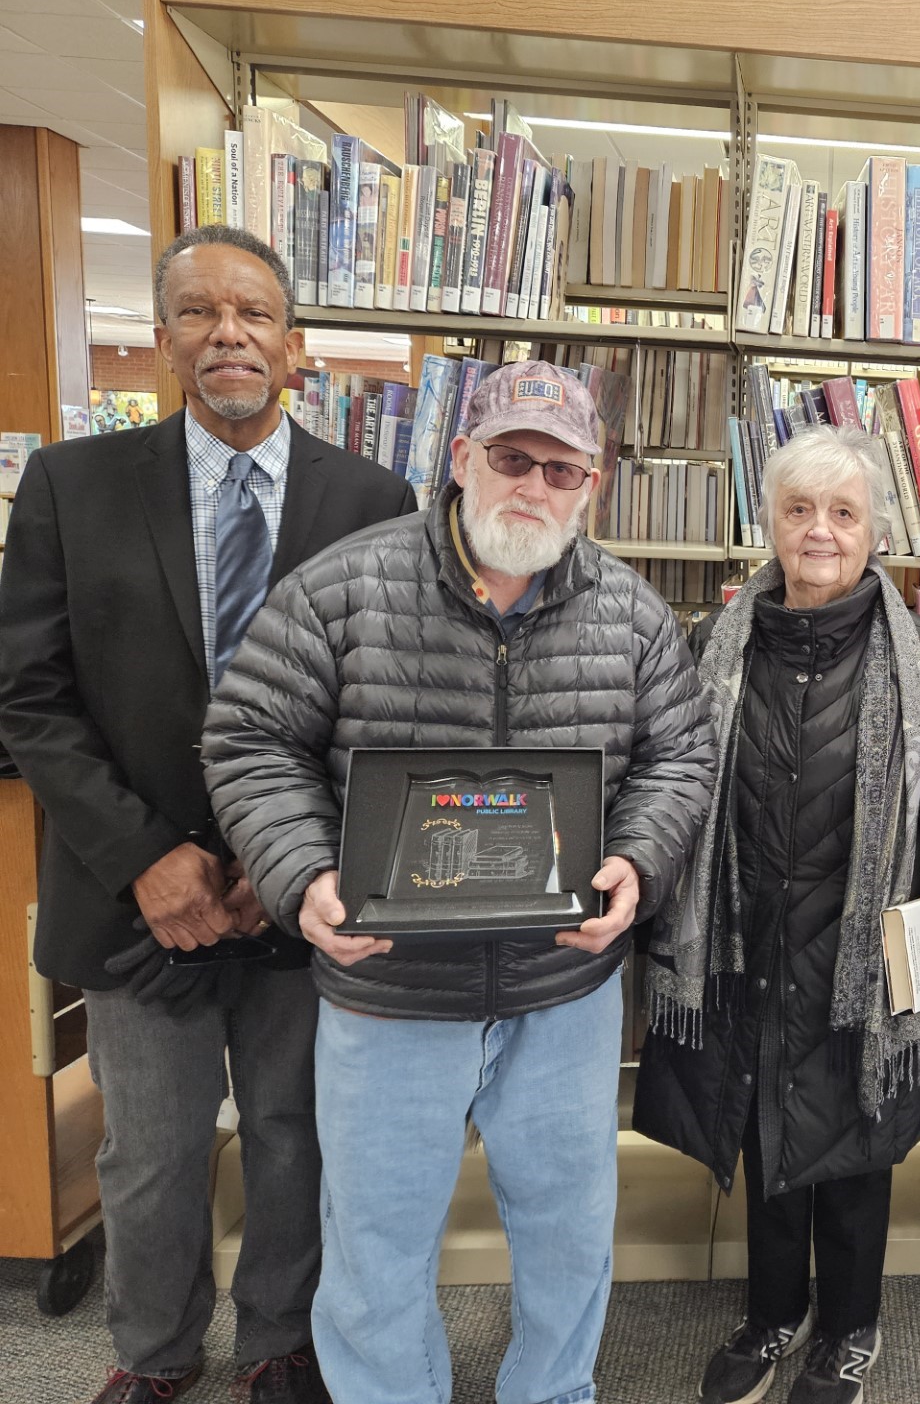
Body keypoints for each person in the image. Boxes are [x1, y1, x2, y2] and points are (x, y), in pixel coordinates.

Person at [199, 359, 717, 1404]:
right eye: (511, 458)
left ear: (593, 483)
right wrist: (302, 877)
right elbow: (248, 736)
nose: (532, 486)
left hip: (561, 992)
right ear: (460, 457)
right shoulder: (345, 586)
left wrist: (636, 860)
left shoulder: (630, 609)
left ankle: (552, 1392)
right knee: (376, 1250)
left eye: (559, 470)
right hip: (388, 991)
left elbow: (682, 755)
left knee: (569, 1236)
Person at [0, 224, 415, 1404]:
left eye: (252, 314)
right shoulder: (75, 488)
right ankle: (157, 1351)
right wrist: (149, 858)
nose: (227, 332)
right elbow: (28, 695)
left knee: (294, 1136)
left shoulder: (371, 497)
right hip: (138, 893)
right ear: (165, 336)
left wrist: (276, 861)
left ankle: (281, 1343)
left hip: (301, 893)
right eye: (198, 312)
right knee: (151, 1152)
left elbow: (381, 706)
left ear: (295, 346)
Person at [632, 424, 920, 1404]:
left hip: (873, 948)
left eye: (842, 513)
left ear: (874, 530)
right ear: (771, 522)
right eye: (799, 510)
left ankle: (848, 1327)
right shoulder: (716, 643)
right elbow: (672, 781)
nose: (818, 532)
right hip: (747, 941)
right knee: (765, 1134)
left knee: (858, 1140)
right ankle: (771, 1315)